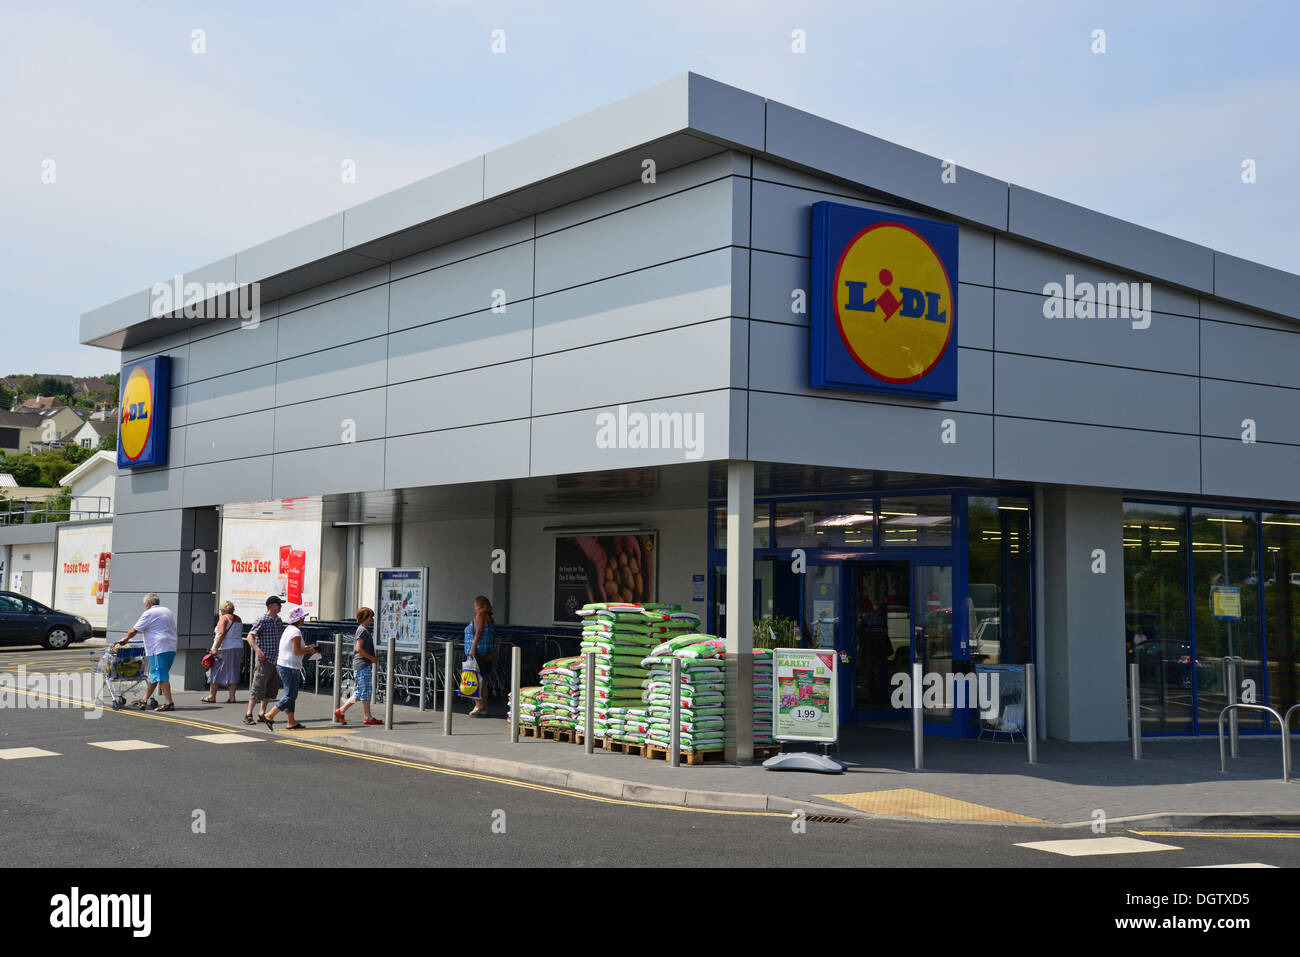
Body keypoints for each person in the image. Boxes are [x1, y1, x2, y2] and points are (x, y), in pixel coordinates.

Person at [115, 593, 178, 712]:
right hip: (171, 646)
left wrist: (125, 639)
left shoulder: (149, 613)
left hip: (158, 648)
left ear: (148, 604)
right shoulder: (167, 610)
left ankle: (169, 703)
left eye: (145, 604)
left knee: (161, 676)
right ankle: (144, 700)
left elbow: (135, 630)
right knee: (155, 675)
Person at [260, 607, 318, 730]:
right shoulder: (296, 632)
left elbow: (294, 648)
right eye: (303, 617)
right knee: (291, 696)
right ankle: (270, 715)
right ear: (299, 619)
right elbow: (296, 651)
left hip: (284, 664)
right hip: (290, 666)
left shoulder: (289, 629)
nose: (304, 619)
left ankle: (291, 722)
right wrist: (309, 650)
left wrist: (307, 647)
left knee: (289, 694)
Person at [334, 606, 381, 726]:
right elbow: (359, 648)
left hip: (362, 664)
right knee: (362, 691)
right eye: (371, 617)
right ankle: (343, 711)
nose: (372, 619)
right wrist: (372, 658)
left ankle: (366, 716)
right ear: (366, 618)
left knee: (363, 692)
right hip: (362, 664)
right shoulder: (362, 631)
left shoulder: (363, 630)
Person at [244, 595, 286, 726]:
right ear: (270, 606)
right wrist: (258, 650)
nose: (280, 606)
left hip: (275, 659)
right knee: (258, 687)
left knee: (270, 688)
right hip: (265, 659)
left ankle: (262, 713)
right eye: (278, 604)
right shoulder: (262, 620)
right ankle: (248, 714)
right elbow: (250, 637)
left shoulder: (278, 621)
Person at [201, 601, 244, 703]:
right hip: (238, 647)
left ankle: (212, 696)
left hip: (225, 648)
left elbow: (221, 634)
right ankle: (232, 697)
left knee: (217, 670)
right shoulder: (238, 618)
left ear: (223, 610)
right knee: (233, 671)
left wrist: (215, 648)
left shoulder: (224, 618)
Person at [465, 595, 495, 716]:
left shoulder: (481, 616)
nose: (474, 607)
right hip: (486, 652)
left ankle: (478, 705)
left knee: (474, 678)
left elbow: (479, 632)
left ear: (479, 606)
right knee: (483, 680)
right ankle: (484, 706)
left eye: (476, 604)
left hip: (477, 652)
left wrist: (472, 648)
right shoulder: (489, 618)